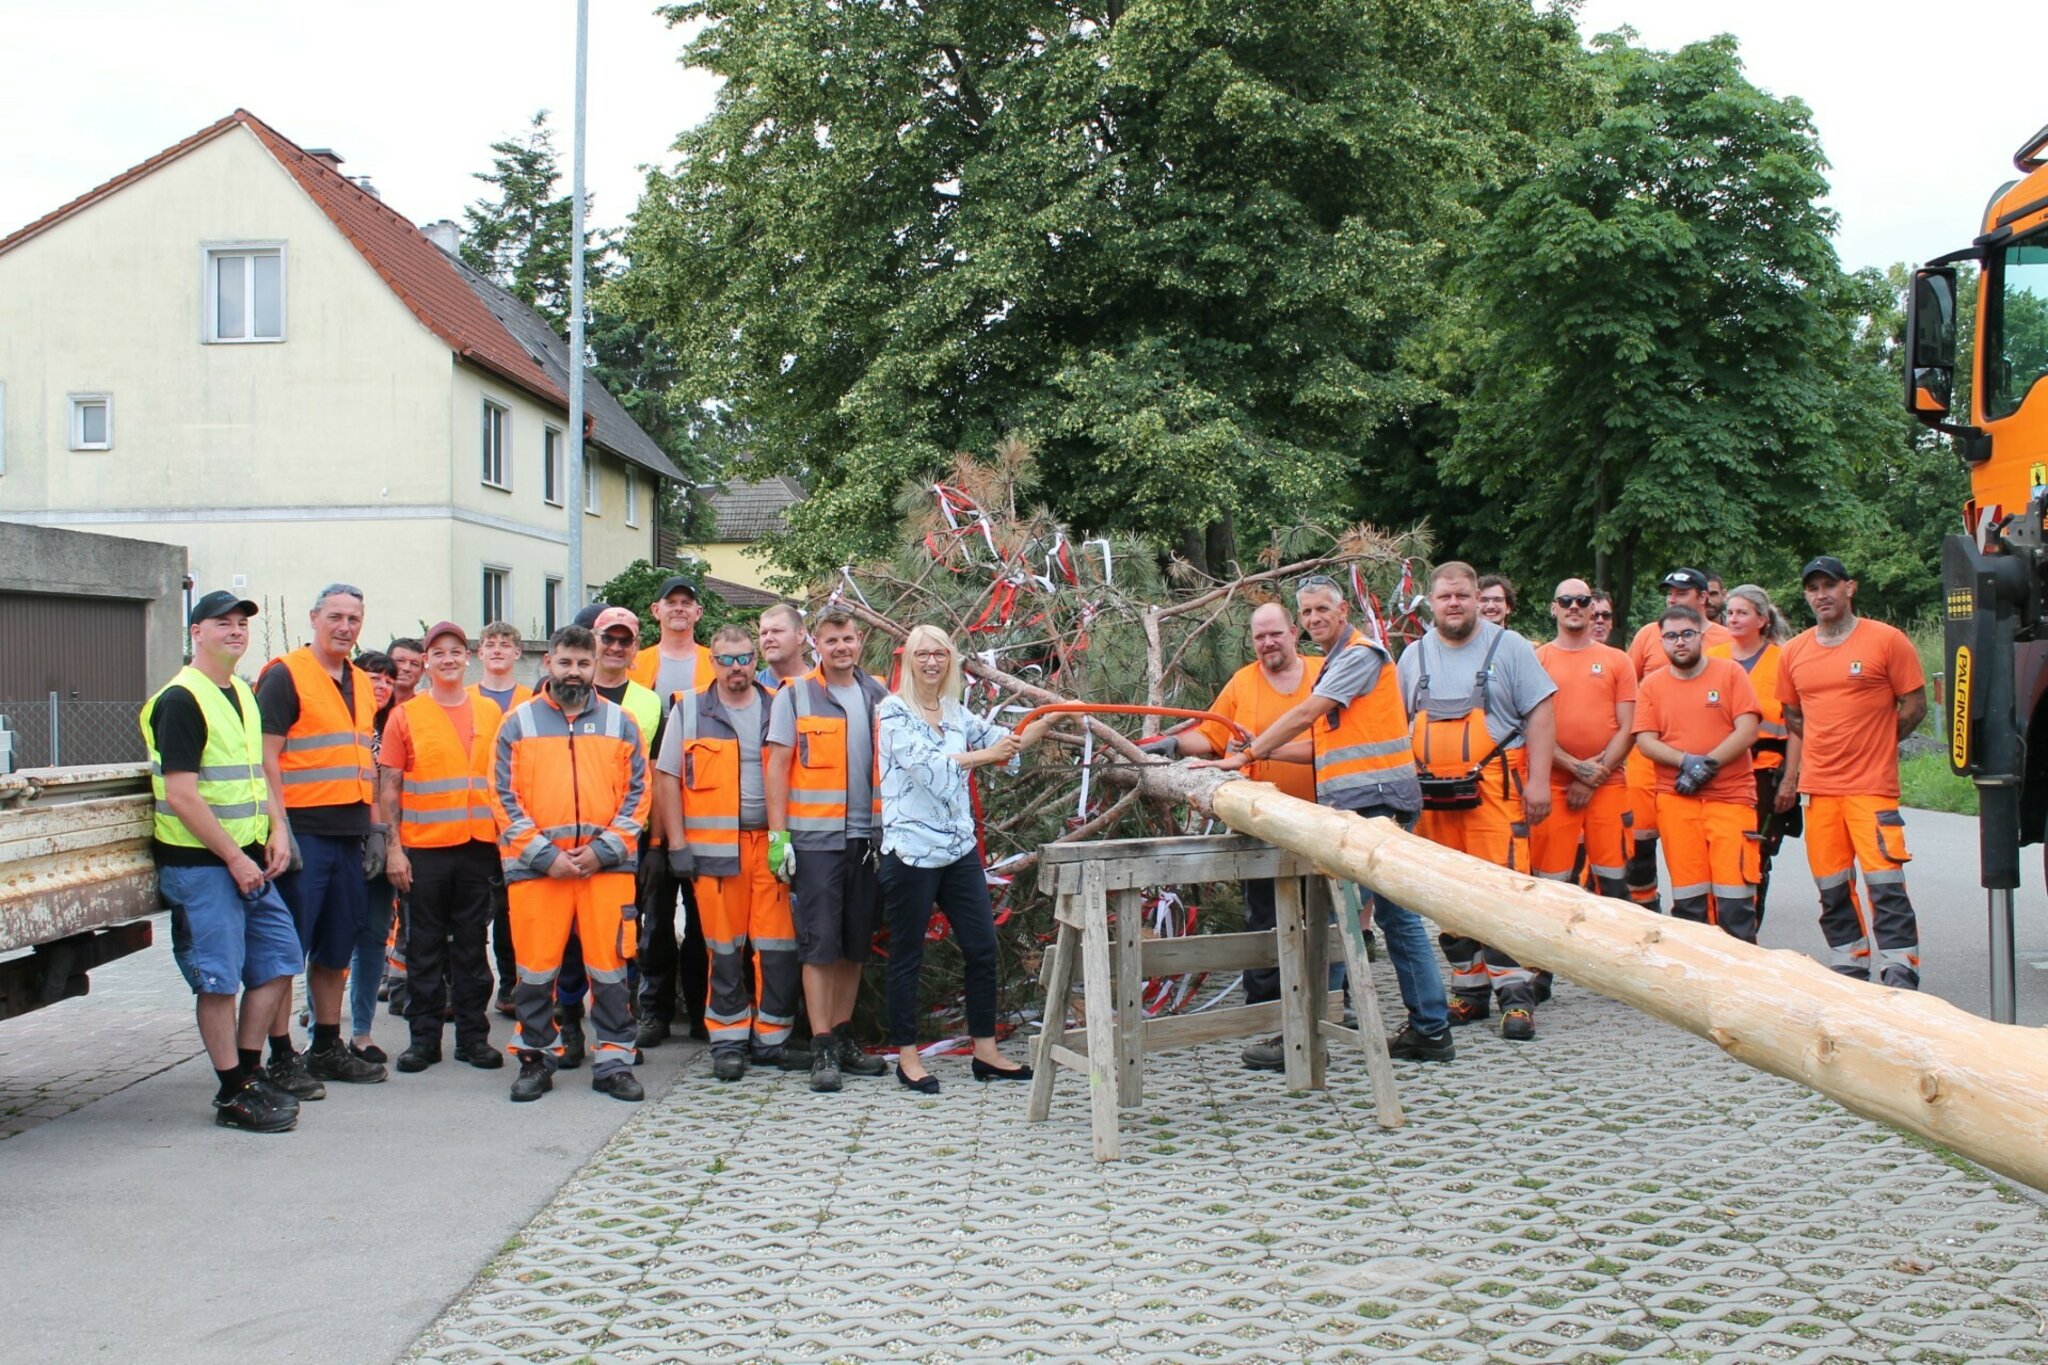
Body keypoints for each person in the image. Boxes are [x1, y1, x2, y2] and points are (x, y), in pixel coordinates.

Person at [1195, 575, 1456, 1063]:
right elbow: (1319, 746)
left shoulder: (1359, 655)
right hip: (1366, 805)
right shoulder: (1340, 660)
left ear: (1342, 612)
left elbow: (1307, 713)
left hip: (1373, 808)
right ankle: (1427, 1029)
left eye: (1322, 610)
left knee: (1337, 923)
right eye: (1308, 612)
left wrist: (1247, 754)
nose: (1315, 619)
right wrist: (1248, 753)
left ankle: (1312, 1035)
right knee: (1391, 921)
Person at [143, 590, 301, 1131]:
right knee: (218, 980)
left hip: (250, 859)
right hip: (203, 865)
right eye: (222, 623)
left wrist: (279, 829)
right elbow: (183, 794)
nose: (235, 631)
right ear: (196, 633)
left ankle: (250, 1070)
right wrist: (235, 858)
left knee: (281, 959)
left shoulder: (240, 691)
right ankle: (232, 1091)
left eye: (241, 624)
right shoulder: (181, 700)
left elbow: (259, 771)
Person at [876, 626, 1048, 1091]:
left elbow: (1003, 742)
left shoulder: (953, 711)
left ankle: (986, 1052)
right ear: (909, 660)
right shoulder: (893, 713)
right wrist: (985, 755)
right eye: (923, 654)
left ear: (951, 661)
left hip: (958, 852)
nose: (932, 662)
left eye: (940, 654)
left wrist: (1046, 720)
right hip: (911, 854)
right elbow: (931, 767)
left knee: (981, 947)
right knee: (907, 955)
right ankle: (908, 1059)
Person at [1151, 601, 1323, 1056]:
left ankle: (1324, 1011)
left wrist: (1260, 752)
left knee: (1320, 922)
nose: (1268, 643)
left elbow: (1330, 746)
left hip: (1319, 823)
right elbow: (1208, 735)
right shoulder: (1243, 682)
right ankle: (1267, 1012)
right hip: (1258, 827)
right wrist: (1170, 743)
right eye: (1259, 637)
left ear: (1294, 632)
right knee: (1264, 920)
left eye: (1276, 634)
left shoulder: (1323, 676)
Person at [1397, 562, 1556, 1040]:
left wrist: (1540, 783)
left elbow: (1542, 712)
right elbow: (1397, 726)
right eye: (1445, 597)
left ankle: (1517, 998)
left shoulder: (1509, 648)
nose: (1454, 604)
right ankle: (1468, 993)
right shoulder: (1413, 656)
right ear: (1432, 600)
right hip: (1432, 800)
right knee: (1446, 898)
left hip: (1495, 793)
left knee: (1502, 895)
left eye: (1463, 596)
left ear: (1476, 598)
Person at [491, 625, 649, 1102]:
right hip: (539, 873)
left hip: (606, 872)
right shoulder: (517, 724)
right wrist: (547, 857)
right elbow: (503, 800)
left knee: (611, 971)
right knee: (536, 972)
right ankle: (536, 1059)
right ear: (548, 664)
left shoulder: (622, 723)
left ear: (595, 665)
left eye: (583, 663)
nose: (574, 672)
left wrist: (602, 852)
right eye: (565, 663)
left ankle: (614, 1062)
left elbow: (638, 797)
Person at [657, 624, 809, 1080]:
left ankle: (772, 1040)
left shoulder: (778, 705)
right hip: (714, 853)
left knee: (778, 948)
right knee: (723, 950)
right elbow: (666, 779)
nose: (735, 667)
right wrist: (677, 844)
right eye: (725, 659)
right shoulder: (688, 711)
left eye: (743, 658)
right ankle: (727, 1041)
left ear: (754, 660)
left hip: (771, 845)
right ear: (712, 663)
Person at [256, 583, 387, 1091]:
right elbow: (266, 758)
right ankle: (282, 1055)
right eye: (335, 616)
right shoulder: (286, 675)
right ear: (314, 617)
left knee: (337, 945)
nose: (345, 627)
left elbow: (364, 760)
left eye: (354, 618)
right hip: (302, 834)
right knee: (289, 948)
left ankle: (327, 1044)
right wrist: (278, 828)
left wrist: (374, 826)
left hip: (347, 833)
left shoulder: (358, 680)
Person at [1778, 556, 1928, 989]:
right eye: (1813, 588)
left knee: (1885, 882)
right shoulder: (1795, 652)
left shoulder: (1886, 641)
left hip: (1871, 788)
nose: (1821, 595)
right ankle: (1849, 961)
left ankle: (1900, 966)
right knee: (1831, 884)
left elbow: (1915, 705)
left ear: (1850, 588)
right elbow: (1792, 713)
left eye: (1829, 585)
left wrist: (1879, 740)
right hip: (1820, 789)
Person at [765, 606, 893, 1092]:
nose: (841, 648)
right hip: (815, 842)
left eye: (849, 639)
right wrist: (778, 836)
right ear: (815, 644)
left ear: (860, 642)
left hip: (868, 841)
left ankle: (841, 1037)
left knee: (854, 944)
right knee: (820, 946)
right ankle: (820, 1046)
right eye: (832, 640)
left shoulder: (877, 694)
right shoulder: (795, 696)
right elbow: (776, 767)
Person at [378, 622, 506, 1073]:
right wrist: (393, 850)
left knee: (472, 948)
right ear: (426, 662)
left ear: (466, 657)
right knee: (425, 948)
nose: (448, 659)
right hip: (425, 850)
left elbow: (503, 781)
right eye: (439, 652)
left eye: (456, 651)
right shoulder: (405, 715)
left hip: (477, 848)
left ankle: (474, 1039)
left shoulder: (490, 712)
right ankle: (423, 1041)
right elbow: (388, 788)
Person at [1634, 606, 1762, 941]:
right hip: (1677, 800)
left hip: (1731, 800)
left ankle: (1742, 983)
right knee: (1689, 903)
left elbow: (1747, 730)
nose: (1680, 642)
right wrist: (1685, 761)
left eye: (1687, 634)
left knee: (1735, 901)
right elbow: (1645, 741)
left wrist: (1707, 765)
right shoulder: (1652, 685)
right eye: (1671, 636)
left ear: (1701, 637)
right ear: (1661, 641)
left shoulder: (1730, 674)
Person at [627, 579, 717, 1042]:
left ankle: (704, 1012)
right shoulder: (639, 663)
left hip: (703, 805)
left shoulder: (712, 662)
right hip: (647, 812)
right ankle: (654, 1012)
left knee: (704, 918)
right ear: (655, 610)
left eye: (688, 604)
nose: (679, 610)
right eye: (671, 604)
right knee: (656, 917)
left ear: (698, 614)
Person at [1620, 569, 1735, 913]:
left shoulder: (1726, 640)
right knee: (1639, 840)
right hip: (1648, 756)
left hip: (1704, 762)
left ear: (1703, 597)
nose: (1672, 599)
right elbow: (1626, 690)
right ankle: (1643, 914)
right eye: (1669, 593)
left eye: (1681, 593)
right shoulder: (1648, 635)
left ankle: (1709, 922)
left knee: (1698, 847)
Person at [1531, 579, 1637, 903]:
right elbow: (1532, 727)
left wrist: (1592, 777)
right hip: (1553, 784)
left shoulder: (1618, 661)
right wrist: (1576, 768)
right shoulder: (1537, 660)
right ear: (1553, 608)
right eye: (1565, 601)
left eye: (1581, 600)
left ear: (1593, 608)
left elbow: (1629, 728)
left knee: (1614, 885)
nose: (1573, 606)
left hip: (1607, 785)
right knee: (1551, 886)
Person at [1707, 585, 1802, 920]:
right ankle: (1711, 928)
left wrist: (1790, 780)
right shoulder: (1713, 657)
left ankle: (1747, 927)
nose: (1733, 619)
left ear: (1762, 619)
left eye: (1742, 612)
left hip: (1764, 772)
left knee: (1755, 852)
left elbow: (1796, 726)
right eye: (1730, 612)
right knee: (1711, 851)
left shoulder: (1784, 659)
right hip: (1712, 771)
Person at [472, 622, 532, 1014]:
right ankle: (473, 984)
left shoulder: (531, 700)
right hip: (474, 823)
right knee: (476, 911)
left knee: (515, 908)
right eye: (489, 644)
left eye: (505, 644)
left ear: (517, 654)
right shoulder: (461, 699)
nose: (497, 650)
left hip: (521, 822)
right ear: (479, 654)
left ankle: (513, 982)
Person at [351, 649, 399, 1062]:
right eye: (372, 677)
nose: (381, 685)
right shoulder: (344, 723)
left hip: (382, 844)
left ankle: (361, 1032)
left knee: (372, 938)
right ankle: (318, 1021)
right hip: (342, 839)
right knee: (329, 940)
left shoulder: (395, 726)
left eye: (388, 679)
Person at [755, 602, 811, 689]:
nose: (768, 638)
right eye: (763, 633)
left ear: (800, 635)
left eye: (777, 631)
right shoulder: (751, 691)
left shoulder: (825, 687)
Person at [387, 637, 425, 706]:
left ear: (422, 671)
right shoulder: (369, 704)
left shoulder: (427, 709)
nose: (406, 668)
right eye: (400, 660)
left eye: (414, 664)